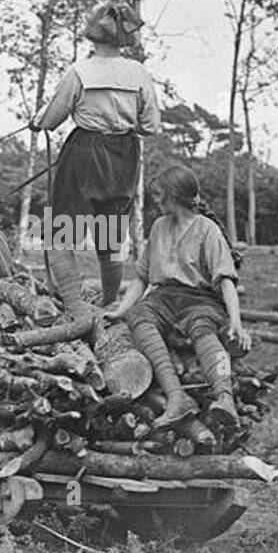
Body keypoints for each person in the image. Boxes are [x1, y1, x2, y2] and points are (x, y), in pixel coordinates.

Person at [31, 0, 161, 315]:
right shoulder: (138, 72)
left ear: (93, 35)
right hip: (123, 157)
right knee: (110, 236)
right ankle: (107, 304)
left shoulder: (80, 72)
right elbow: (151, 126)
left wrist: (38, 119)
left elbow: (50, 121)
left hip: (84, 155)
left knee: (61, 234)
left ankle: (74, 307)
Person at [105, 164, 252, 432]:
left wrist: (236, 323)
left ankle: (225, 399)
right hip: (163, 298)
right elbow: (142, 278)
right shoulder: (160, 227)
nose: (156, 202)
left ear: (175, 197)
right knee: (140, 316)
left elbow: (226, 280)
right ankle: (177, 398)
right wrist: (121, 310)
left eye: (160, 196)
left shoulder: (207, 230)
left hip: (201, 300)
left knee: (203, 328)